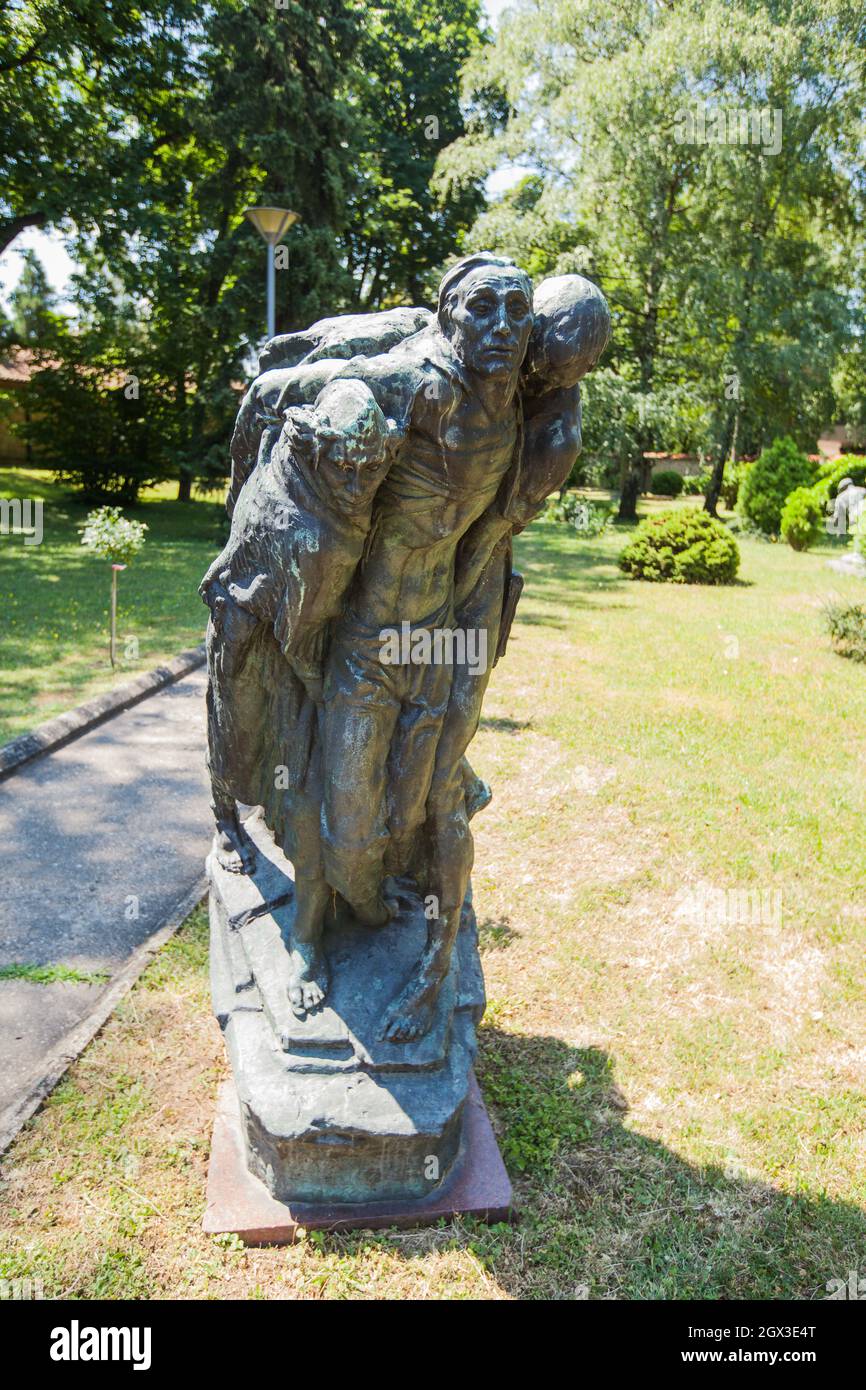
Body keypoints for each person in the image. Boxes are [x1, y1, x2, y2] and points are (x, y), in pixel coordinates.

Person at [201, 378, 396, 1014]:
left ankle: (308, 937)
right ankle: (227, 817)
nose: (359, 481)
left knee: (308, 801)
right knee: (236, 749)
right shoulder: (313, 526)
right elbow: (299, 636)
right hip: (257, 647)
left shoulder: (319, 476)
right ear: (316, 449)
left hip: (310, 656)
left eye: (372, 467)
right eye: (346, 466)